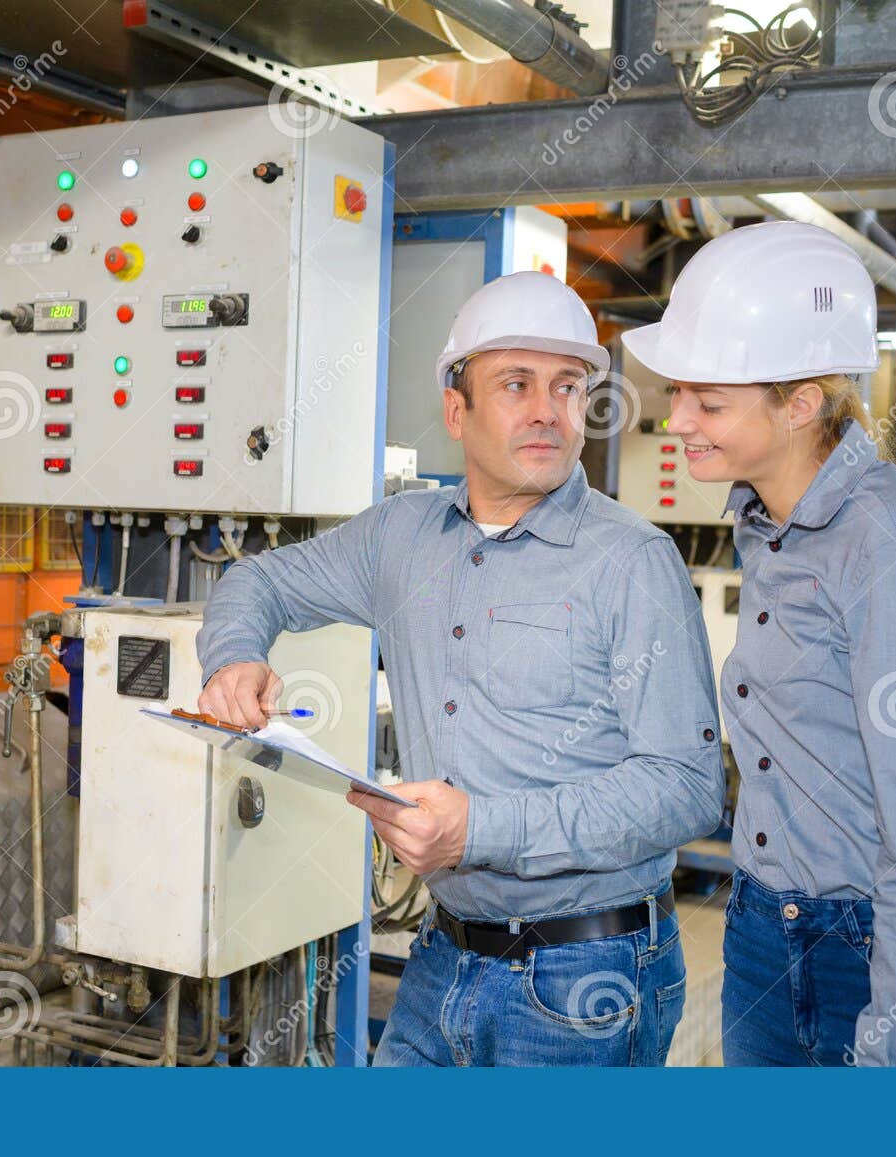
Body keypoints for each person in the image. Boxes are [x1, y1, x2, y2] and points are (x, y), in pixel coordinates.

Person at [196, 271, 726, 1067]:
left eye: (568, 386)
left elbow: (686, 786)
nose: (547, 409)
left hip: (588, 974)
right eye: (516, 384)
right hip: (444, 955)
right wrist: (236, 654)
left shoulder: (631, 561)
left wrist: (480, 828)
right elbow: (257, 581)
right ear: (456, 409)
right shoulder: (400, 537)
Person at [622, 220, 896, 1067]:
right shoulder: (768, 527)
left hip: (879, 954)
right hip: (764, 934)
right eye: (679, 392)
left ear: (802, 404)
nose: (677, 418)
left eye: (709, 401)